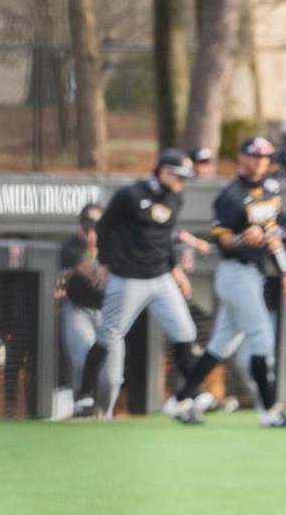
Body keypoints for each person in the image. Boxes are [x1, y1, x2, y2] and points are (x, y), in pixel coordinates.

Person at [165, 136, 286, 428]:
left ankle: (178, 401)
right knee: (262, 338)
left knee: (221, 346)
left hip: (253, 274)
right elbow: (225, 241)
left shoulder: (268, 189)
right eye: (253, 156)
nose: (259, 162)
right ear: (241, 158)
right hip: (235, 273)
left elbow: (272, 230)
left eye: (264, 157)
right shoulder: (230, 196)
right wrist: (242, 237)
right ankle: (270, 412)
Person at [75, 148, 201, 420]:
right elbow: (105, 228)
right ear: (164, 172)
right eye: (180, 176)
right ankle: (84, 396)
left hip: (159, 277)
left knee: (185, 331)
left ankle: (189, 395)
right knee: (108, 334)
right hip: (127, 277)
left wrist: (175, 268)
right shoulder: (130, 195)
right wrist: (106, 262)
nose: (183, 182)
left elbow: (165, 237)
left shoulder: (175, 199)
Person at [56, 203, 107, 414]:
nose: (91, 233)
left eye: (95, 228)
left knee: (111, 375)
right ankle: (81, 408)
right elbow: (91, 274)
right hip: (78, 309)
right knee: (81, 360)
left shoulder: (113, 245)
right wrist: (90, 251)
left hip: (107, 311)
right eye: (87, 228)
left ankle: (106, 411)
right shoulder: (72, 246)